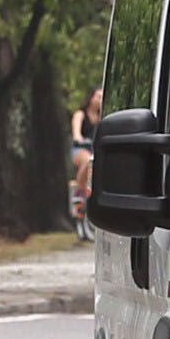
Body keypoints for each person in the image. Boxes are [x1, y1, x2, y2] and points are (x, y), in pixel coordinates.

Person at [71, 87, 103, 234]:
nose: (100, 100)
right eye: (98, 96)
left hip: (95, 152)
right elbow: (76, 133)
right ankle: (79, 190)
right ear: (91, 98)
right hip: (81, 150)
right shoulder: (80, 114)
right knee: (87, 160)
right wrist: (80, 139)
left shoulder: (102, 118)